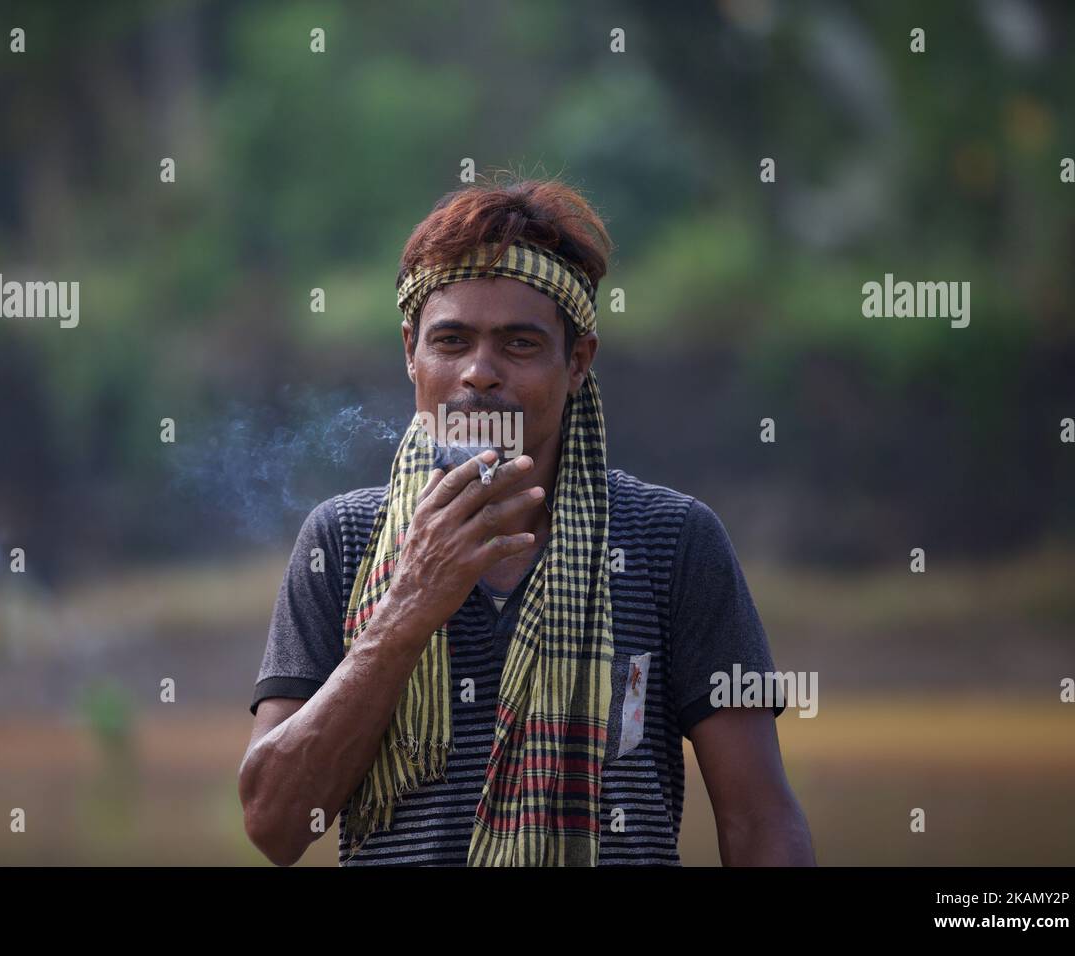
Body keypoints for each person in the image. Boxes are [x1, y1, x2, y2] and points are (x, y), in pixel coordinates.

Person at [238, 176, 815, 866]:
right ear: (409, 355)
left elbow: (759, 823)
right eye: (450, 341)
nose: (480, 373)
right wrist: (410, 605)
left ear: (577, 362)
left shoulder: (672, 541)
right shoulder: (341, 541)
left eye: (518, 345)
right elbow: (274, 825)